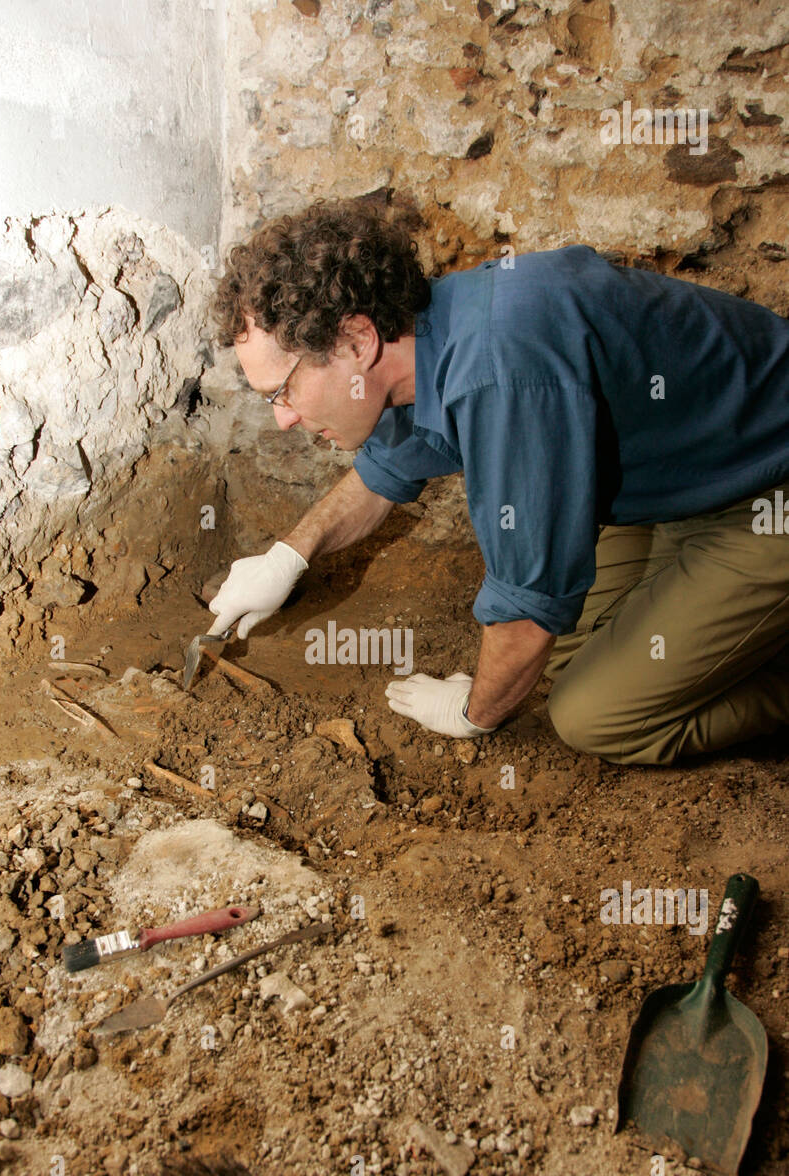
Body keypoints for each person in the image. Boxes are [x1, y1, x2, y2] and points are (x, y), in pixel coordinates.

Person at [205, 197, 789, 766]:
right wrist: (288, 558)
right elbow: (387, 470)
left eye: (281, 392)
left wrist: (472, 712)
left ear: (357, 341)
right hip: (684, 483)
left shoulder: (499, 373)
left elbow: (528, 612)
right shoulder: (434, 333)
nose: (282, 417)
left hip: (767, 490)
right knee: (571, 660)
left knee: (594, 713)